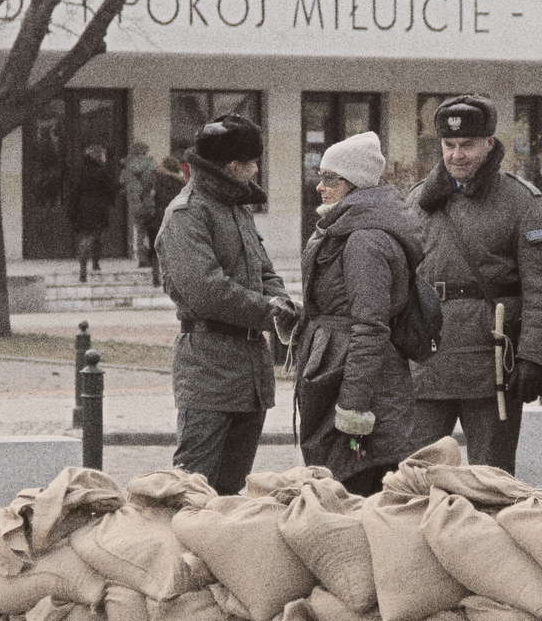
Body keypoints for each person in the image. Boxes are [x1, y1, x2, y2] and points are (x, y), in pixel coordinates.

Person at [405, 95, 542, 474]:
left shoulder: (521, 202)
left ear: (489, 143)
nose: (457, 155)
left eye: (467, 145)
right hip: (427, 363)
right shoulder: (417, 200)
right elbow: (402, 282)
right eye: (449, 144)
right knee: (416, 476)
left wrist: (534, 357)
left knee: (491, 479)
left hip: (492, 365)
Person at [155, 115, 298, 496]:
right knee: (194, 488)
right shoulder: (188, 213)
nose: (256, 170)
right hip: (208, 367)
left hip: (248, 370)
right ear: (233, 166)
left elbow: (265, 271)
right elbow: (206, 291)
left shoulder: (237, 207)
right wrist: (271, 311)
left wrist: (280, 300)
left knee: (231, 491)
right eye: (252, 163)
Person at [294, 132, 421, 495]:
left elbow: (370, 327)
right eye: (320, 176)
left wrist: (353, 407)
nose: (319, 186)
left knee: (357, 493)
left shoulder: (364, 238)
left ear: (355, 183)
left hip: (361, 385)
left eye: (330, 179)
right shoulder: (346, 228)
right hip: (343, 373)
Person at [67, 144, 119, 282]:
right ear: (97, 157)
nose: (105, 158)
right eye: (103, 155)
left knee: (85, 237)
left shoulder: (78, 170)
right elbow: (110, 188)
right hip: (98, 208)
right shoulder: (101, 171)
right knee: (97, 235)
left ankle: (83, 270)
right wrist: (118, 188)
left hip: (82, 207)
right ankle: (95, 263)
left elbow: (73, 191)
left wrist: (72, 210)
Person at [145, 155, 188, 287]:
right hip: (173, 220)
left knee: (155, 248)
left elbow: (144, 194)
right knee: (172, 250)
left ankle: (155, 277)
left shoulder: (154, 178)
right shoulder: (181, 183)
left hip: (155, 218)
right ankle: (169, 279)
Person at [120, 141, 158, 268]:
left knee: (139, 231)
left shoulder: (127, 166)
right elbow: (155, 181)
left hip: (134, 203)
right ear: (145, 151)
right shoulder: (151, 164)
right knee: (152, 230)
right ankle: (152, 257)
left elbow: (122, 182)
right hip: (149, 202)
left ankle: (141, 259)